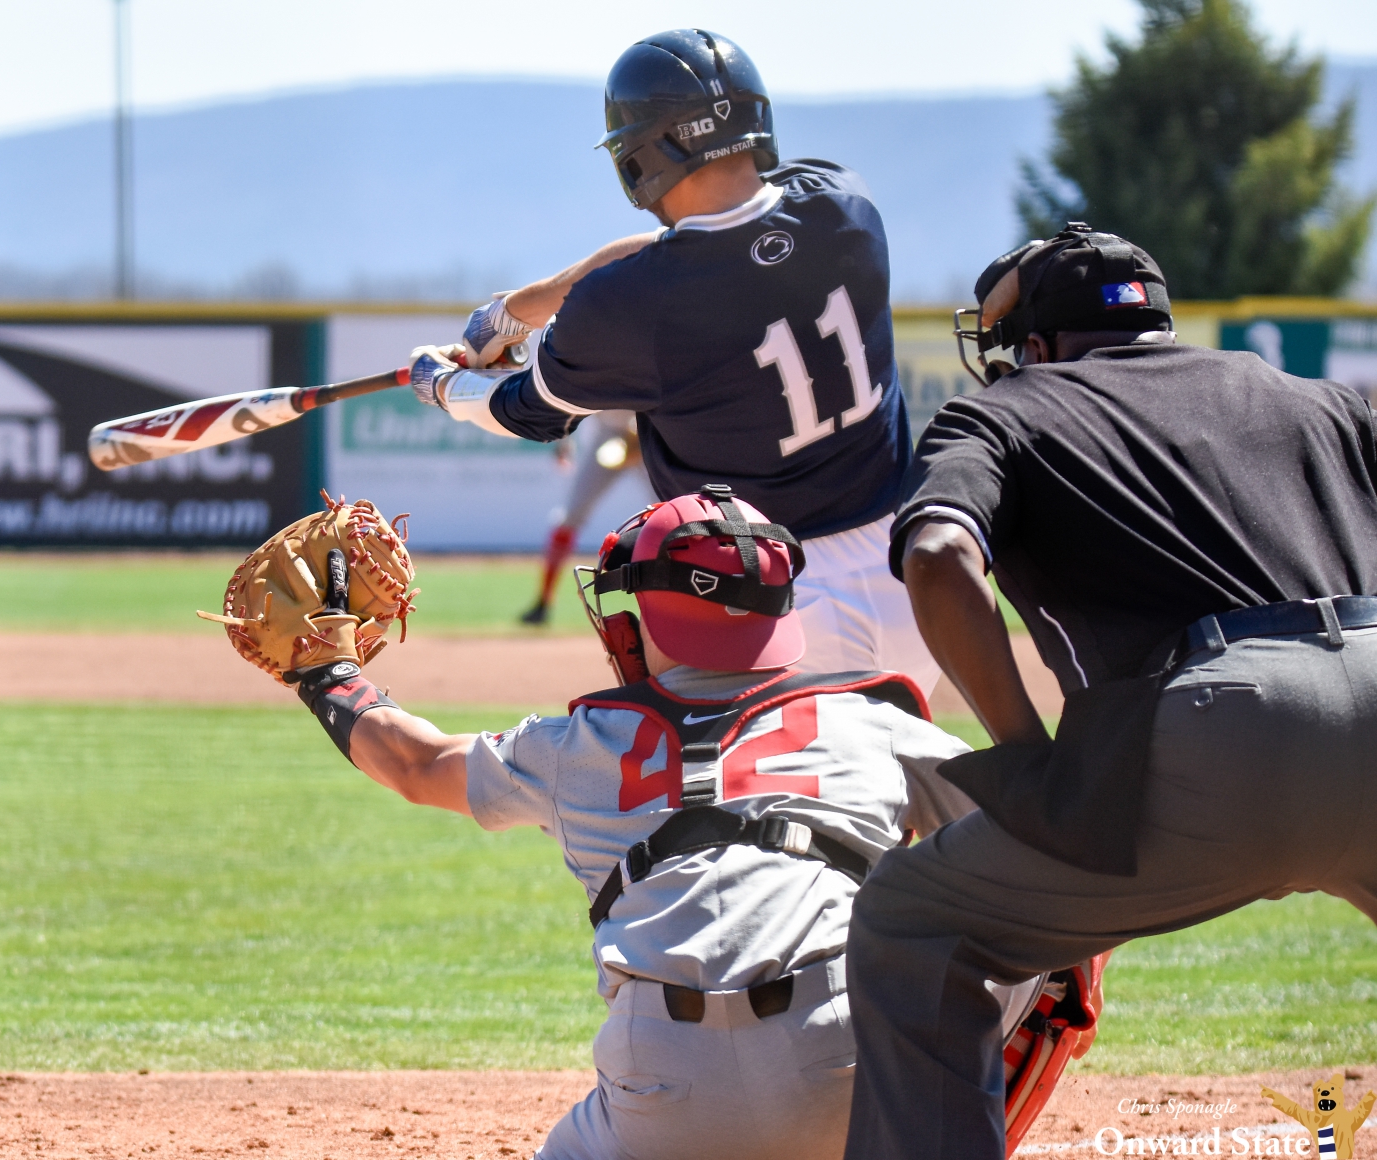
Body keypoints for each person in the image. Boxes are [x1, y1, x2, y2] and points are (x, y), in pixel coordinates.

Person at [275, 483, 1048, 1160]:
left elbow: (414, 763)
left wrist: (327, 676)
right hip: (844, 1066)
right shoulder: (871, 725)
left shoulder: (576, 746)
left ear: (652, 620)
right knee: (1048, 943)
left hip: (660, 1082)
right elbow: (1042, 843)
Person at [840, 225, 1377, 1160]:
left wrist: (1025, 759)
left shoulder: (1008, 409)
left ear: (1037, 346)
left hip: (1215, 723)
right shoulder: (1318, 399)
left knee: (914, 922)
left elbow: (936, 559)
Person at [407, 29, 939, 692]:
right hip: (912, 577)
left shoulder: (634, 305)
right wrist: (523, 307)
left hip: (776, 599)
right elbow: (686, 243)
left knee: (754, 797)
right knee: (900, 784)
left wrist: (442, 385)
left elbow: (521, 411)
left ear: (640, 156)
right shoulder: (846, 204)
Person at [521, 410, 648, 625]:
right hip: (610, 434)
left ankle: (689, 600)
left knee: (679, 513)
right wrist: (563, 437)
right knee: (568, 517)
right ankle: (543, 603)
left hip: (650, 431)